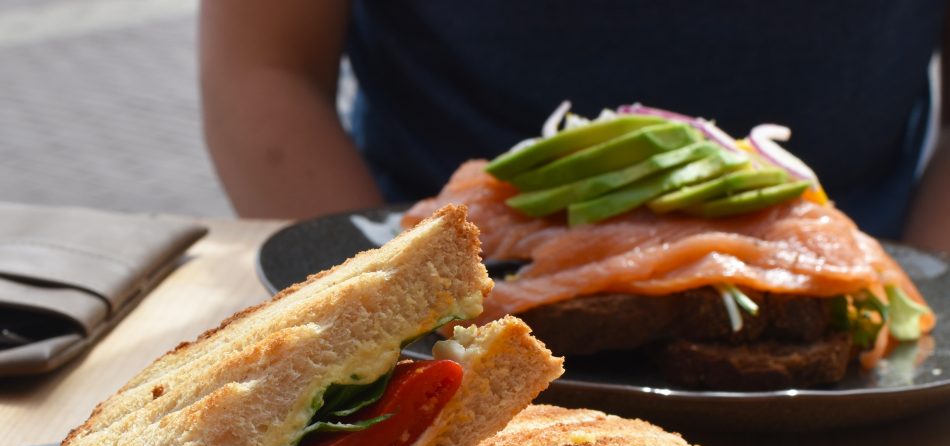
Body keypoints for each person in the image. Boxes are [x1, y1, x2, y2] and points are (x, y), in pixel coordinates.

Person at [199, 0, 950, 250]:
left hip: (858, 270)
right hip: (439, 271)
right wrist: (384, 313)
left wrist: (926, 328)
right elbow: (266, 66)